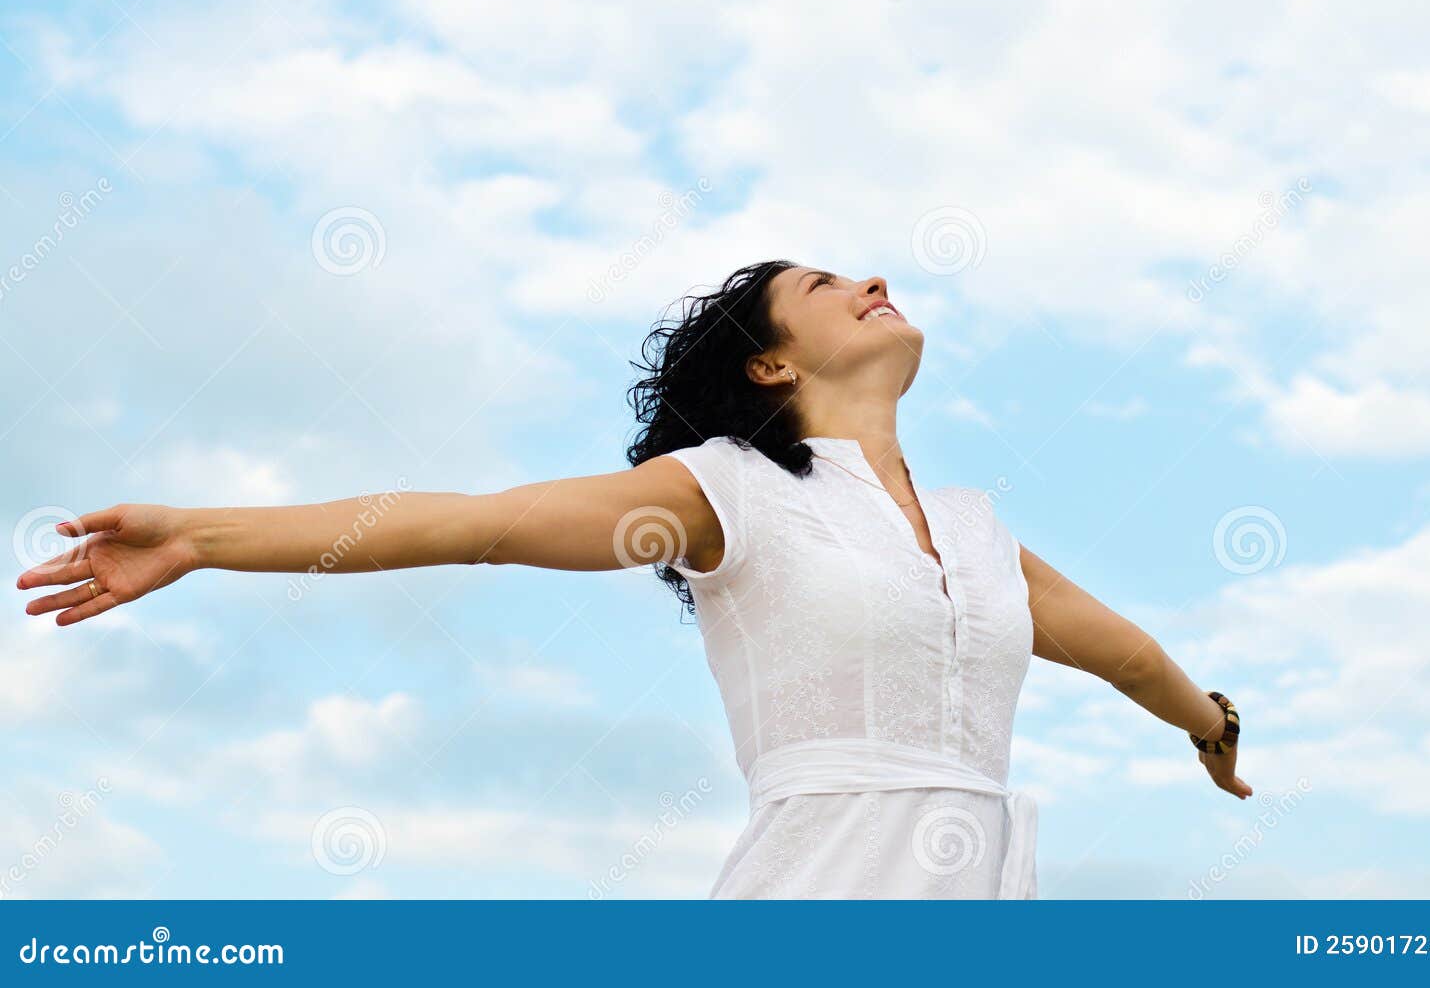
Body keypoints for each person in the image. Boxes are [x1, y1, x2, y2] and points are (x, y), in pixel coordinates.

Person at [17, 259, 1249, 898]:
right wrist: (204, 537)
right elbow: (480, 524)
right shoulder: (722, 489)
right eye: (826, 286)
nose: (874, 277)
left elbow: (1123, 651)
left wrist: (1211, 725)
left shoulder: (976, 531)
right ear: (771, 367)